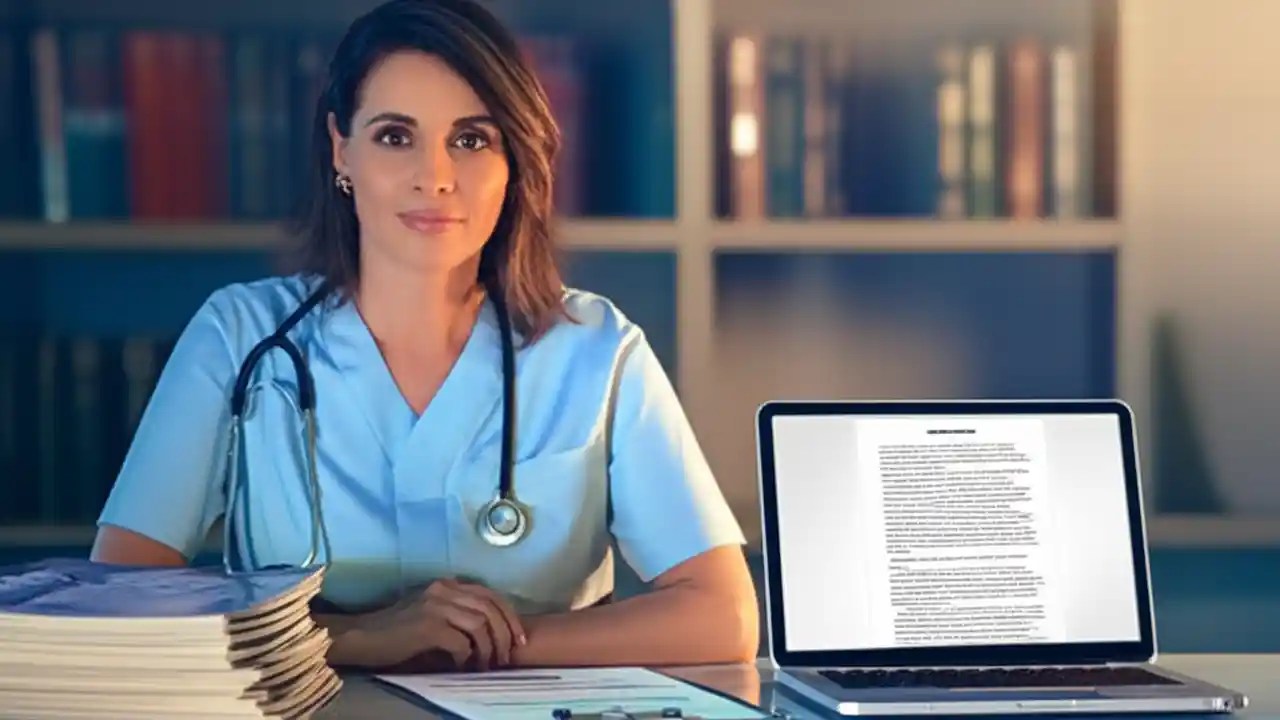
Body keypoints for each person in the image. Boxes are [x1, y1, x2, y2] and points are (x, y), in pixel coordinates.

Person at [90, 0, 758, 673]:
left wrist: (483, 643)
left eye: (471, 139)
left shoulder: (596, 350)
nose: (434, 177)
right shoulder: (241, 338)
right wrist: (363, 640)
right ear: (340, 150)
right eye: (394, 136)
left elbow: (722, 615)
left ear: (514, 161)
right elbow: (118, 594)